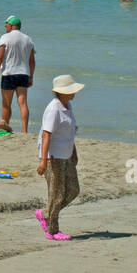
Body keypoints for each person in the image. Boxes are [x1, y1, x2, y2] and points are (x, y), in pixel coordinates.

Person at [36, 75, 83, 241]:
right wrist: (43, 160)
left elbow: (69, 134)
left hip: (66, 155)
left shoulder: (67, 106)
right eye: (71, 90)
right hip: (53, 157)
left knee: (73, 190)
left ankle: (45, 213)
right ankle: (53, 231)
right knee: (56, 194)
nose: (74, 93)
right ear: (63, 92)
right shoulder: (54, 108)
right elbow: (46, 134)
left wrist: (74, 153)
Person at [0, 15, 36, 134]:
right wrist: (31, 76)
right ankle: (24, 130)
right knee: (23, 103)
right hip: (23, 74)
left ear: (11, 25)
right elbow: (32, 61)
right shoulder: (28, 39)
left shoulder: (5, 38)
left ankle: (5, 128)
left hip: (9, 74)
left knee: (6, 104)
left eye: (6, 24)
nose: (5, 26)